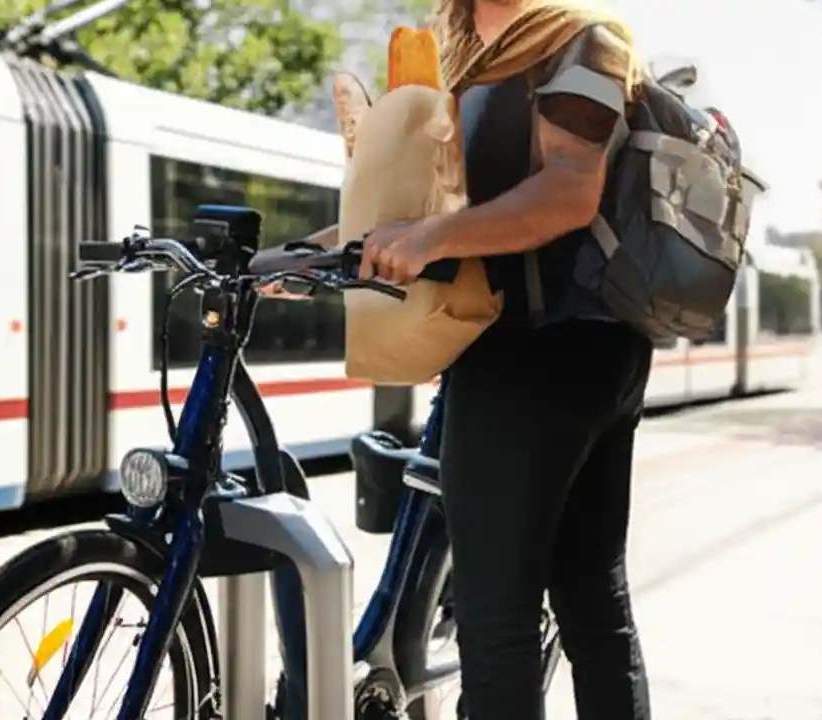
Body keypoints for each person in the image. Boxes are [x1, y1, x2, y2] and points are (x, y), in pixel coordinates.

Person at [271, 1, 655, 717]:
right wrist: (322, 251)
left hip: (540, 355)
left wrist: (431, 240)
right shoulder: (460, 64)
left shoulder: (581, 40)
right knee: (590, 600)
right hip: (566, 355)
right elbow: (434, 203)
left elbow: (570, 191)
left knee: (497, 615)